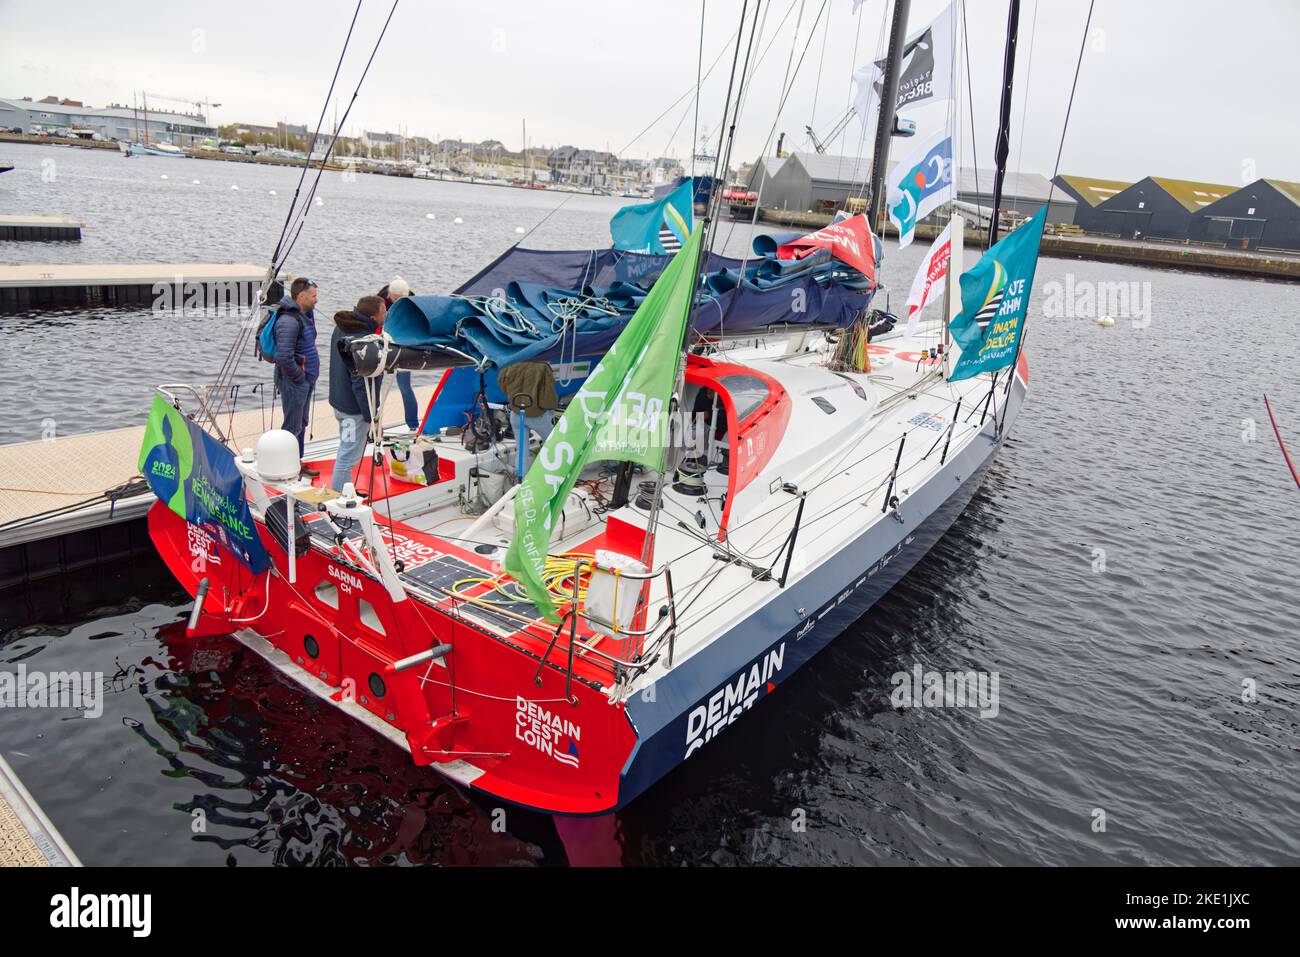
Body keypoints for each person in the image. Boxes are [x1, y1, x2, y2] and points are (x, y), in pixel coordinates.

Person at [329, 295, 386, 491]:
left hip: (339, 400)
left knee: (346, 449)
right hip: (353, 410)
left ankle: (344, 491)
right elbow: (360, 384)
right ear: (373, 317)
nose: (386, 314)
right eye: (384, 311)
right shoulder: (361, 342)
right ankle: (339, 500)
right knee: (348, 456)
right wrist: (371, 417)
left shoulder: (341, 327)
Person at [274, 276, 320, 476]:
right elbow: (284, 357)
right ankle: (284, 467)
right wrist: (300, 378)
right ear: (301, 297)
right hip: (295, 382)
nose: (316, 300)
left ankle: (296, 462)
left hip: (305, 380)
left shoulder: (305, 315)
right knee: (292, 425)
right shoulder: (288, 321)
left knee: (301, 422)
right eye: (313, 296)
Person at [377, 277, 421, 432]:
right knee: (376, 386)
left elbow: (416, 328)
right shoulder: (379, 302)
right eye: (395, 299)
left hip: (403, 347)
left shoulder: (413, 304)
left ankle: (413, 424)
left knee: (405, 387)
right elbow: (374, 324)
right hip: (381, 347)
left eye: (401, 299)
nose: (397, 302)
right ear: (390, 295)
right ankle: (375, 425)